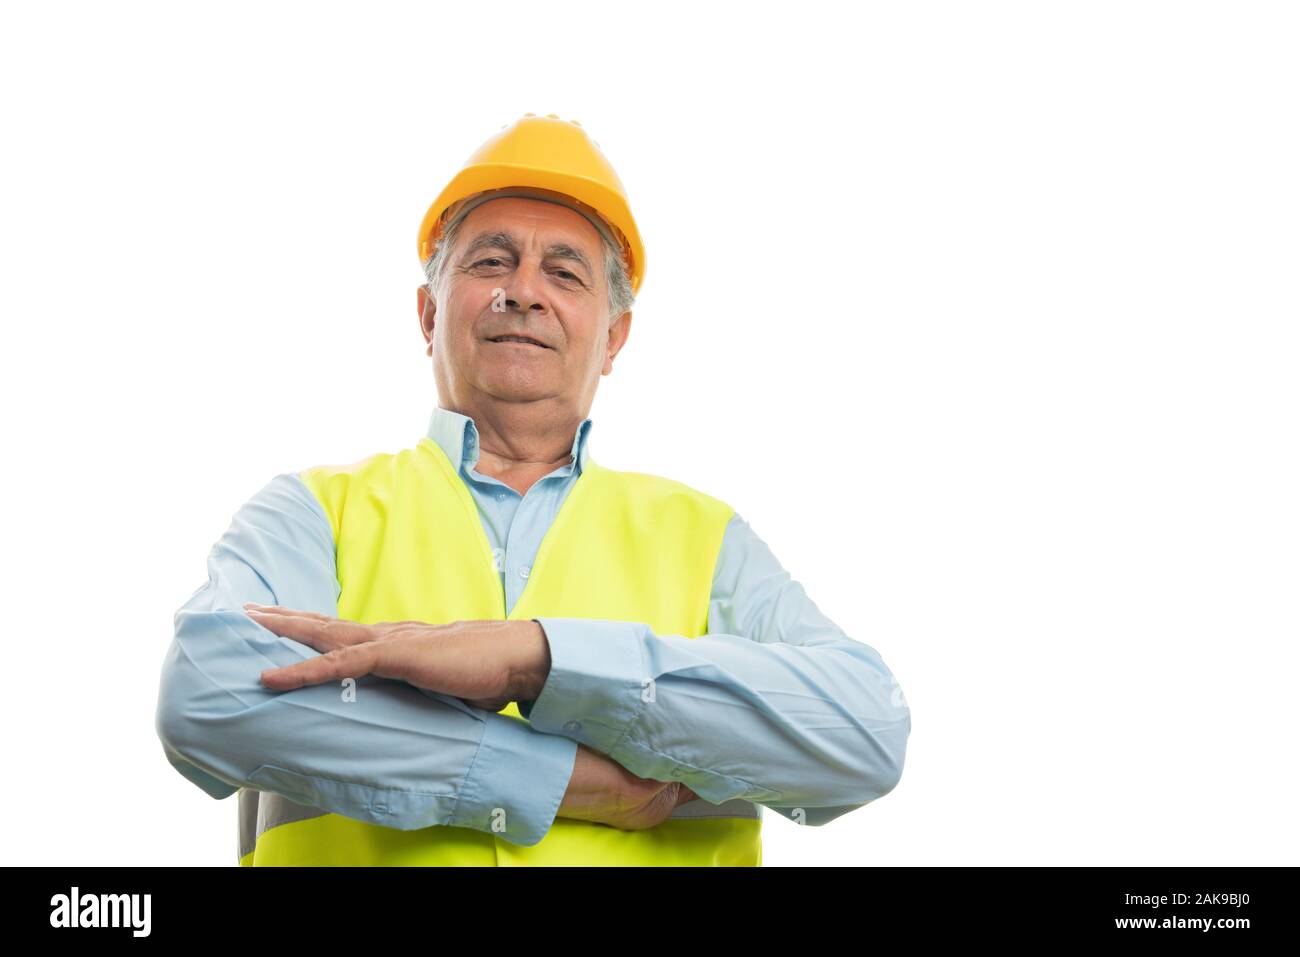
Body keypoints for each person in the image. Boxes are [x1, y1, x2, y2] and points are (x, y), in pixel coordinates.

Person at [154, 113, 911, 866]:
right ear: (427, 314)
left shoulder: (706, 538)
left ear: (613, 337)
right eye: (490, 263)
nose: (523, 291)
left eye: (565, 271)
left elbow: (864, 732)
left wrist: (537, 660)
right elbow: (209, 694)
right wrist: (557, 777)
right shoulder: (314, 513)